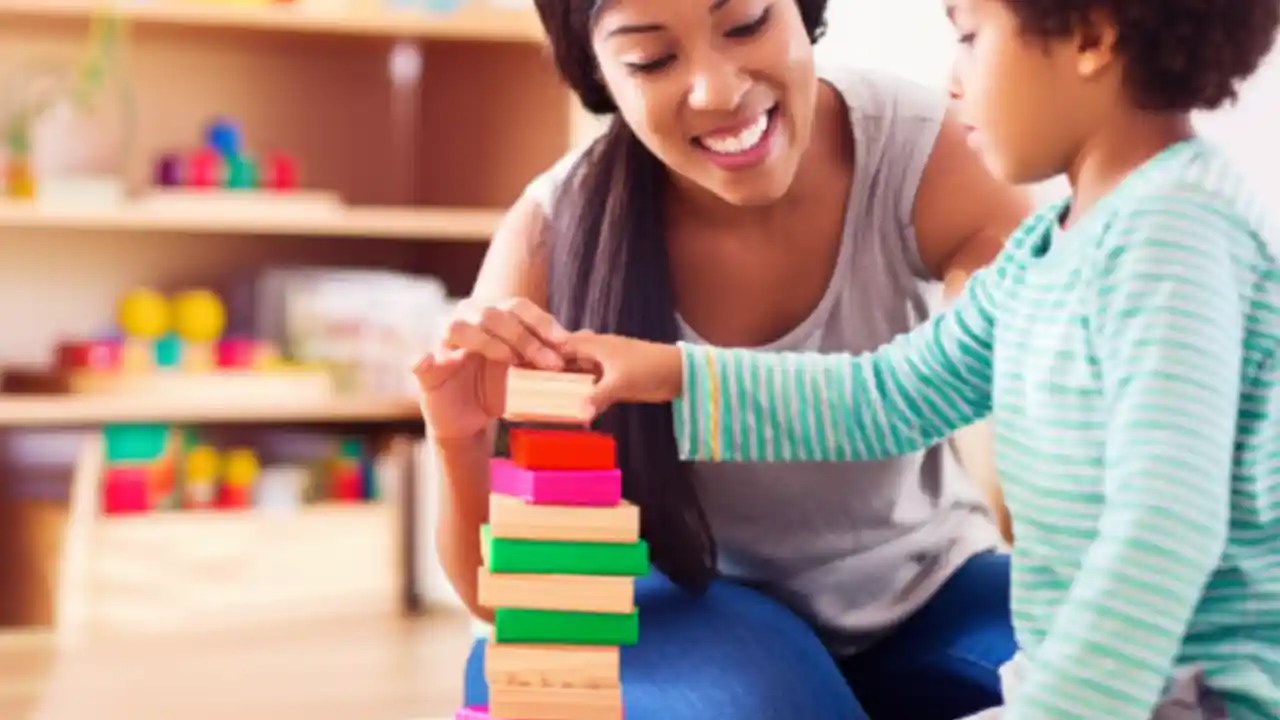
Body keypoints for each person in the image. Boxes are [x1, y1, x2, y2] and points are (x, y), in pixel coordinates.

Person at [558, 0, 1280, 717]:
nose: (953, 82)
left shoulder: (1174, 234)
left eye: (970, 39)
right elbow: (886, 395)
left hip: (1189, 695)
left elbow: (1163, 526)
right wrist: (673, 375)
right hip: (1090, 687)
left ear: (1091, 37)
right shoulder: (1045, 254)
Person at [416, 0, 1032, 717]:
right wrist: (456, 439)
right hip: (681, 603)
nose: (718, 90)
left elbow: (980, 372)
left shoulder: (925, 148)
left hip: (925, 586)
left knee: (1134, 675)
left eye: (745, 24)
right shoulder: (553, 238)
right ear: (601, 76)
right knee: (768, 700)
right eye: (652, 60)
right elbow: (511, 599)